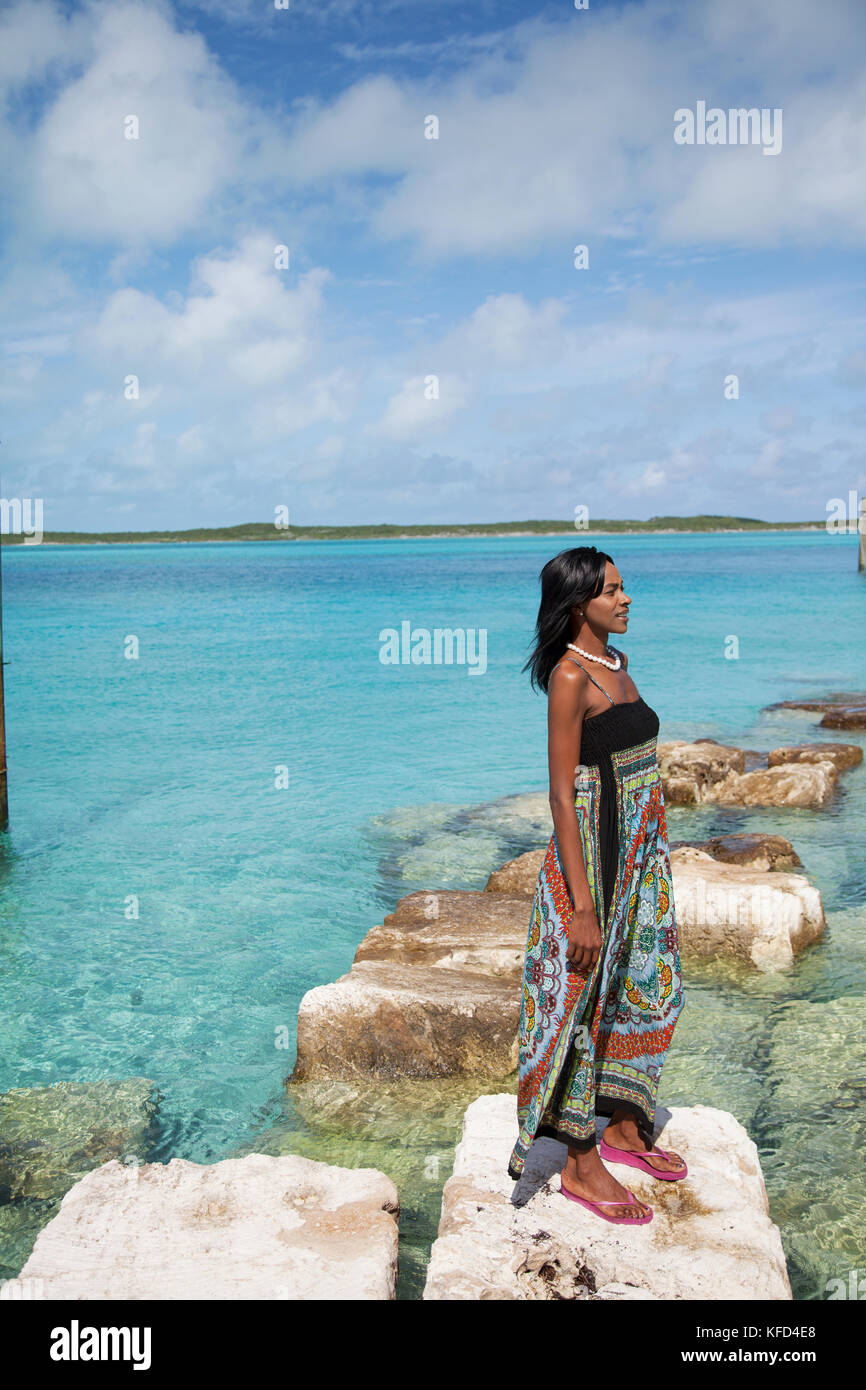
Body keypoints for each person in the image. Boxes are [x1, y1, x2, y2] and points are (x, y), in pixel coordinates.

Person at [506, 546, 686, 1224]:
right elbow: (559, 794)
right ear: (578, 603)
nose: (627, 597)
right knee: (578, 1007)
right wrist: (581, 907)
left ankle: (623, 1123)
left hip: (640, 865)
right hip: (595, 866)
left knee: (650, 985)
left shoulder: (618, 664)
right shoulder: (570, 679)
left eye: (623, 587)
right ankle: (580, 1163)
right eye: (612, 590)